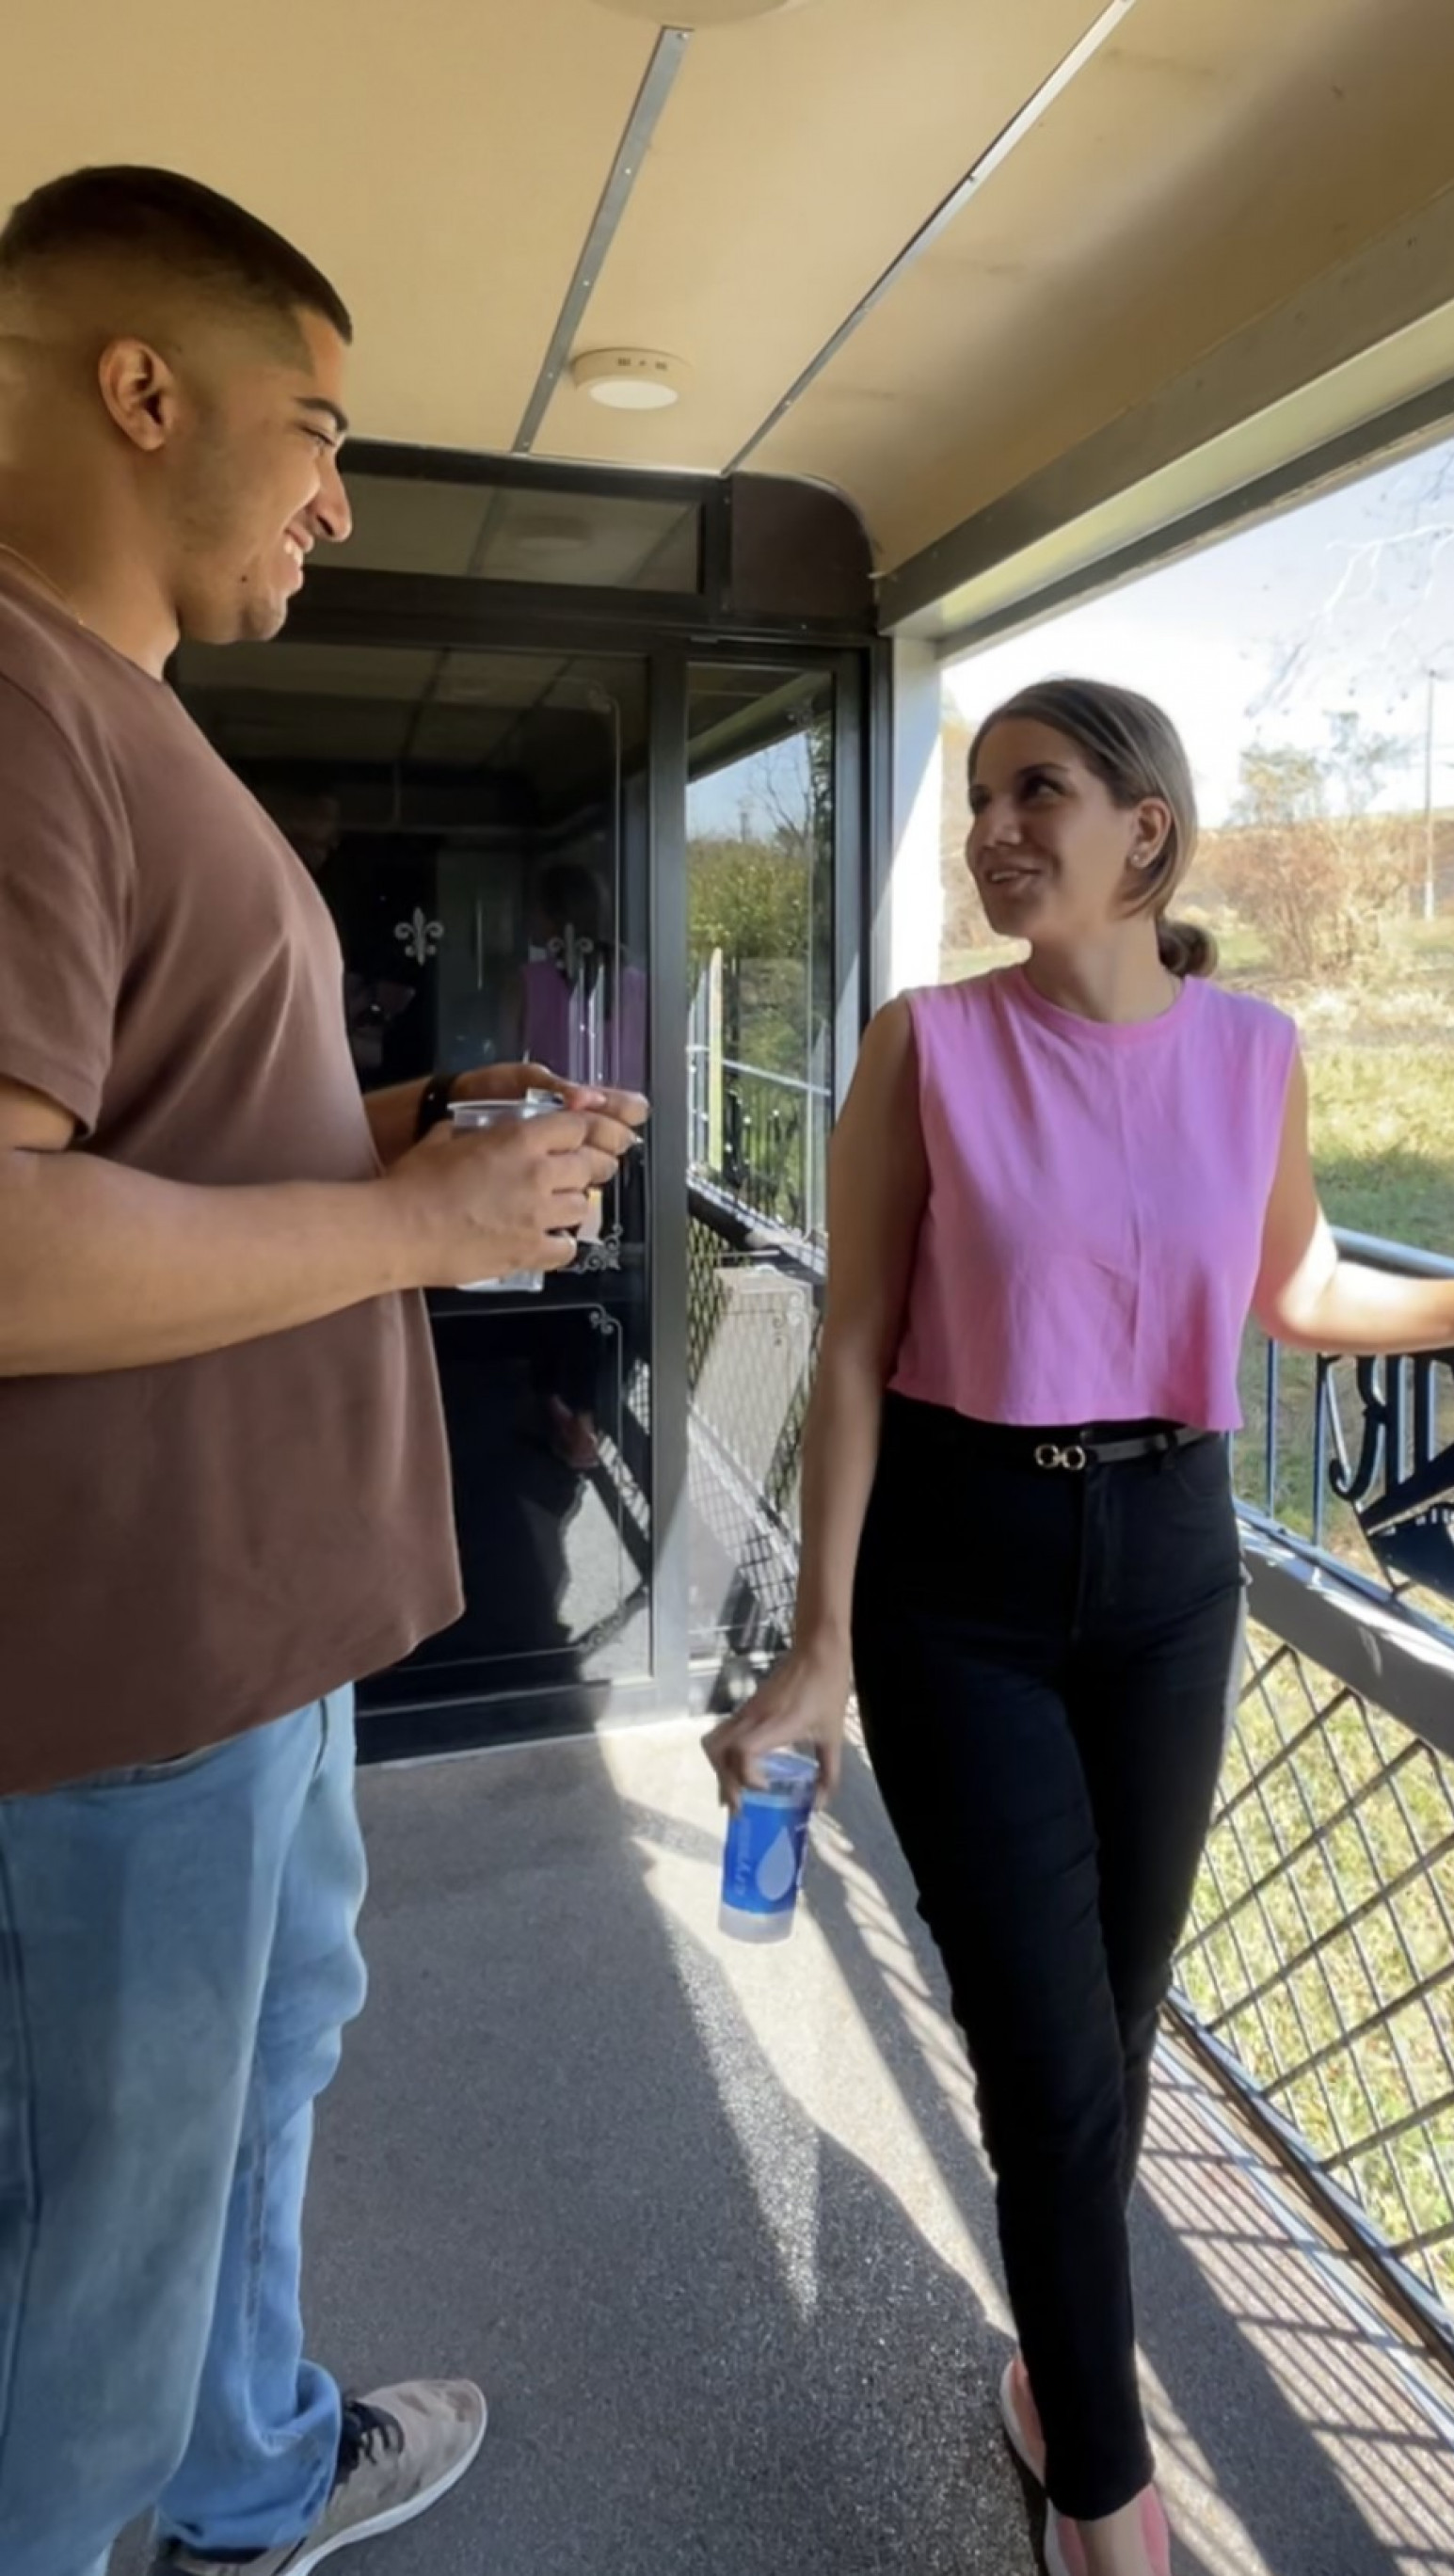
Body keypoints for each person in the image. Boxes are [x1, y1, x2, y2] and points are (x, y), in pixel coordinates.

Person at [703, 677, 1454, 2576]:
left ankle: (1051, 2363)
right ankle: (1100, 2491)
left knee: (1115, 2025)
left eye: (1042, 791)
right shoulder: (924, 1048)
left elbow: (1303, 1288)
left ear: (1144, 827)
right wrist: (819, 1639)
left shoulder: (1252, 1049)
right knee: (1052, 2059)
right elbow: (852, 1341)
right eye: (985, 796)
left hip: (1170, 1562)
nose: (999, 827)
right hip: (959, 1579)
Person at [0, 168, 648, 2576]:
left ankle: (254, 2478)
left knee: (244, 2111)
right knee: (80, 2283)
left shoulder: (142, 733)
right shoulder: (15, 693)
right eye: (317, 427)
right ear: (141, 391)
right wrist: (411, 1224)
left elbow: (174, 1142)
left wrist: (424, 1132)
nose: (338, 498)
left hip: (251, 1651)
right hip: (122, 1692)